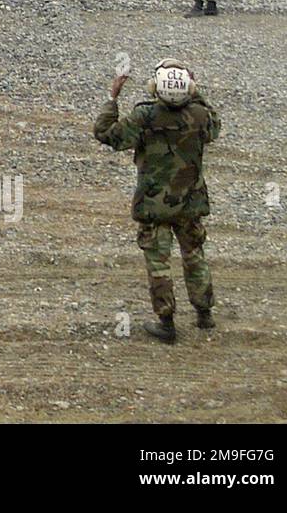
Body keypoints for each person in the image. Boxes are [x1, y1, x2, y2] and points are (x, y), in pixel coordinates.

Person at [93, 60, 220, 343]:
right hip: (190, 204)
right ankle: (204, 314)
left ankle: (167, 322)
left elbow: (105, 134)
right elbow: (214, 128)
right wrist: (195, 92)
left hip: (153, 206)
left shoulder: (145, 116)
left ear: (155, 88)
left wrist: (112, 98)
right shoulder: (199, 115)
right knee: (194, 256)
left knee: (158, 263)